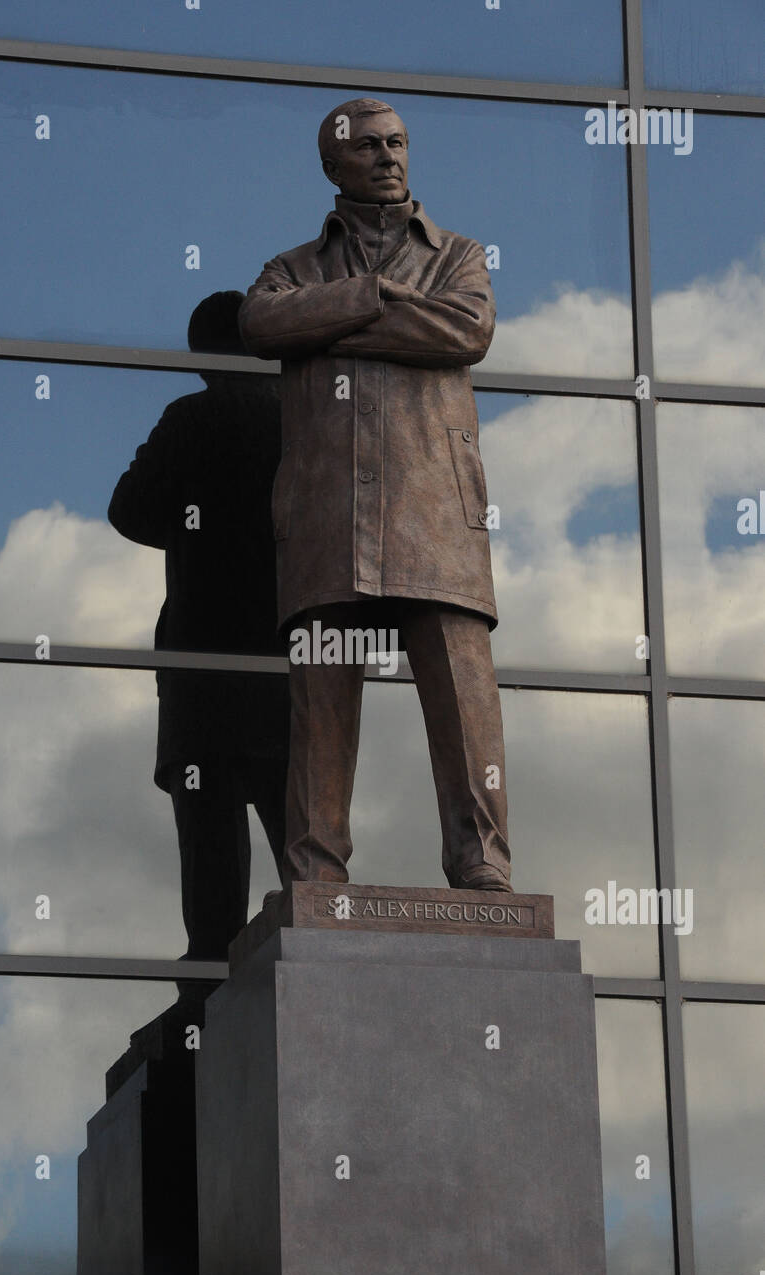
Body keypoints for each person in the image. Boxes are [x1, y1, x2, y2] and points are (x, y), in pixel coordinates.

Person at [239, 98, 511, 895]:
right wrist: (370, 299)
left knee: (465, 701)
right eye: (367, 147)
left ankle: (483, 862)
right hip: (328, 518)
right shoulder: (292, 266)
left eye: (397, 143)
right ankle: (316, 872)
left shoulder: (458, 254)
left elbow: (465, 332)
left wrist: (323, 327)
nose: (388, 157)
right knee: (322, 706)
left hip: (435, 515)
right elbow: (261, 323)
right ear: (333, 165)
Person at [108, 291, 290, 974]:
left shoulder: (191, 418)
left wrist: (189, 537)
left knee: (208, 810)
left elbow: (127, 509)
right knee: (293, 810)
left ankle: (210, 968)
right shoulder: (297, 422)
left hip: (204, 644)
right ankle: (324, 934)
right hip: (282, 647)